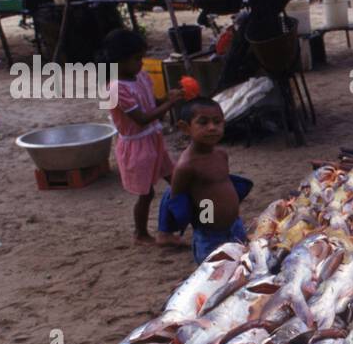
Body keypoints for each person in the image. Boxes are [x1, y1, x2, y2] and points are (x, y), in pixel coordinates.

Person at [102, 29, 185, 245]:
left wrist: (168, 97)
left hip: (153, 139)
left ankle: (172, 227)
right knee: (146, 194)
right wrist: (170, 104)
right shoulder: (116, 89)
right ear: (119, 61)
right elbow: (141, 118)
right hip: (137, 146)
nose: (141, 63)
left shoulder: (141, 76)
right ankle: (140, 233)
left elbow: (152, 103)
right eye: (136, 58)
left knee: (177, 181)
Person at [167, 98, 247, 264]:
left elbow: (221, 185)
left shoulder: (220, 155)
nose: (212, 127)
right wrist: (208, 221)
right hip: (210, 235)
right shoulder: (187, 165)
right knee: (214, 274)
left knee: (241, 266)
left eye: (217, 122)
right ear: (185, 128)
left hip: (235, 226)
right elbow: (178, 199)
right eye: (203, 123)